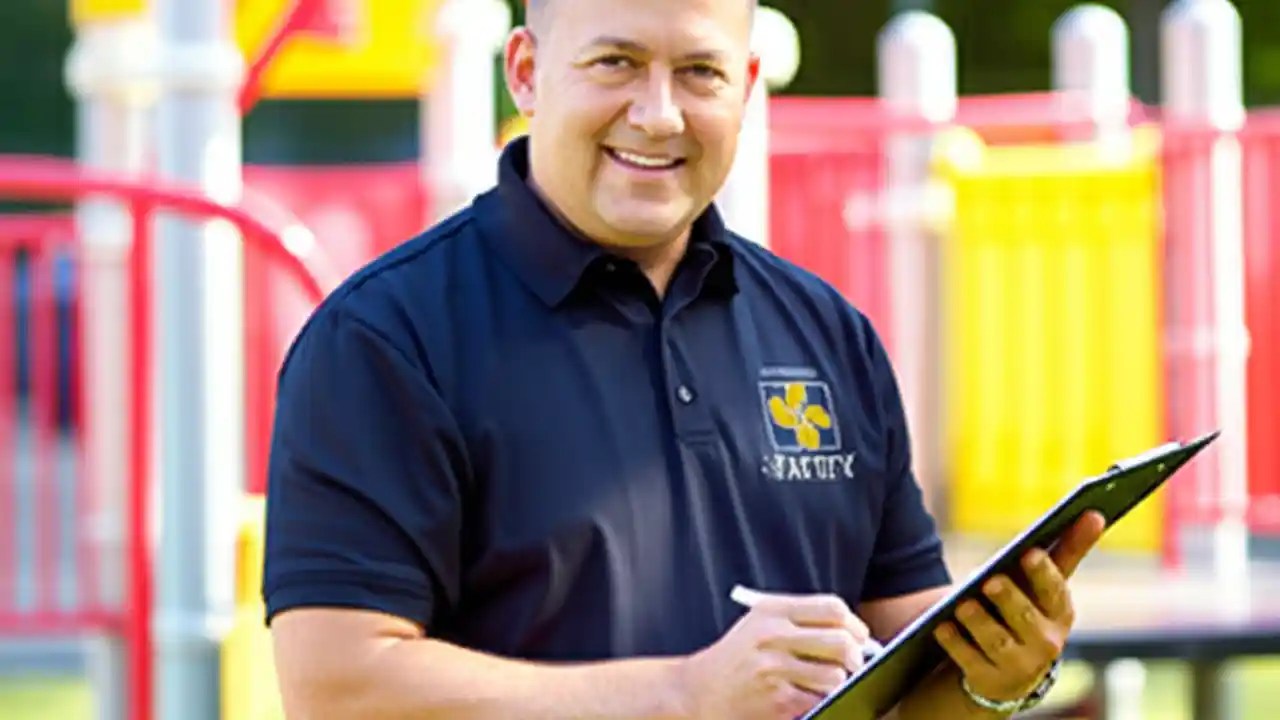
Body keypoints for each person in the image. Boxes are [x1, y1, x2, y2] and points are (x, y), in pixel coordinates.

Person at [262, 0, 1107, 717]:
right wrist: (685, 695)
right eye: (616, 63)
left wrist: (998, 672)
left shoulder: (828, 333)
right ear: (526, 72)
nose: (659, 114)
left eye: (700, 72)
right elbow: (337, 688)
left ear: (747, 86)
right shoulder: (384, 340)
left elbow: (904, 675)